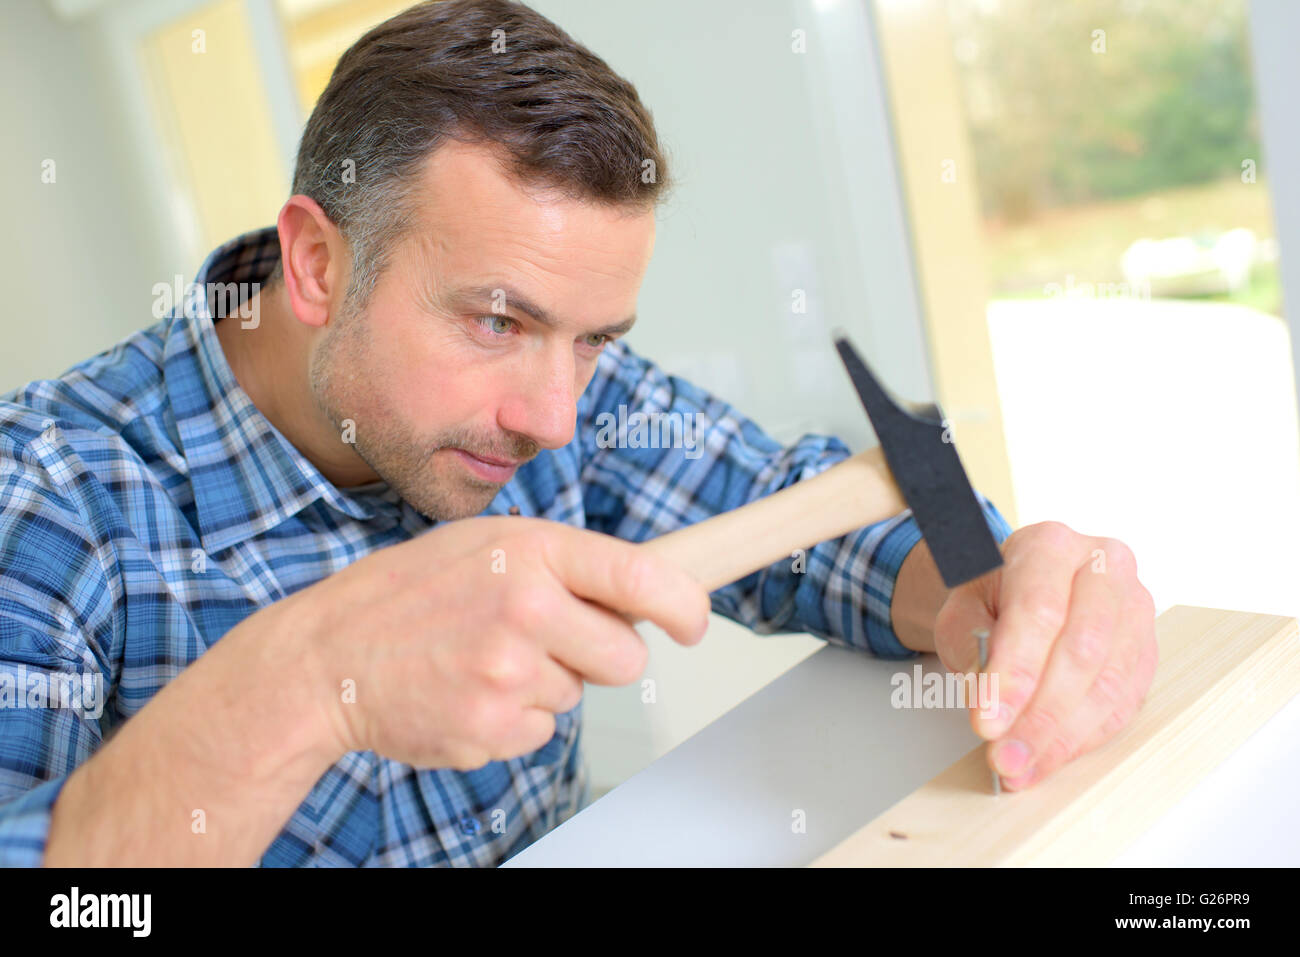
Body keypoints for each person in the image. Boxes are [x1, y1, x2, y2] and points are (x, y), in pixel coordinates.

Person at [0, 0, 1155, 867]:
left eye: (593, 339)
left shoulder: (568, 398)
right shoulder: (51, 499)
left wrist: (979, 591)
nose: (553, 417)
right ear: (315, 264)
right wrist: (312, 679)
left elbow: (792, 518)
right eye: (496, 321)